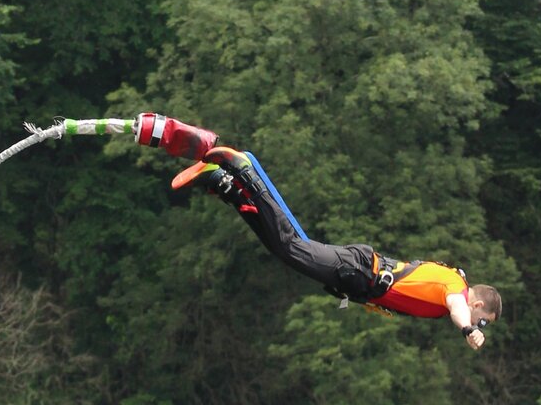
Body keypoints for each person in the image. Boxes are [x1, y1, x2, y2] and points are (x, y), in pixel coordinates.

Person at [172, 146, 501, 350]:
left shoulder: (450, 290)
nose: (479, 323)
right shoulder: (456, 289)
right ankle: (243, 171)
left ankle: (224, 184)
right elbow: (458, 306)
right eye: (483, 319)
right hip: (358, 269)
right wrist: (469, 329)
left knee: (281, 247)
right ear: (478, 301)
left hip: (353, 276)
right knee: (290, 245)